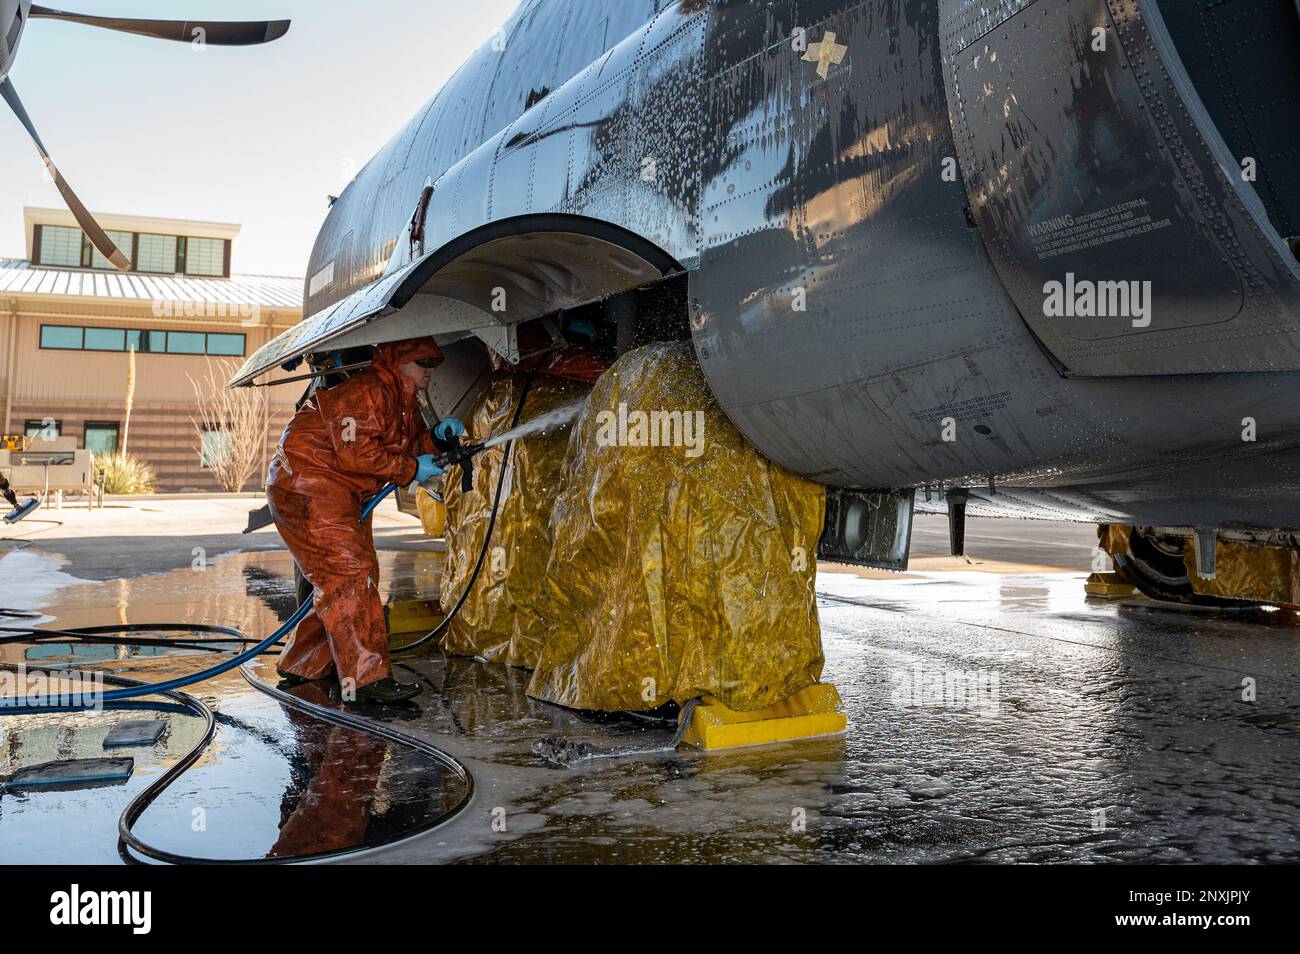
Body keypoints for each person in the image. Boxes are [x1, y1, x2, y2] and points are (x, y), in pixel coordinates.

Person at [267, 336, 464, 705]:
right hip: (308, 484)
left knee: (345, 576)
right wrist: (410, 469)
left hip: (337, 490)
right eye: (423, 362)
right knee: (349, 573)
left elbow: (400, 445)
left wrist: (434, 440)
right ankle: (366, 680)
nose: (430, 371)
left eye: (433, 363)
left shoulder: (401, 400)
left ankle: (303, 663)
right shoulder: (366, 391)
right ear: (398, 361)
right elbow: (357, 452)